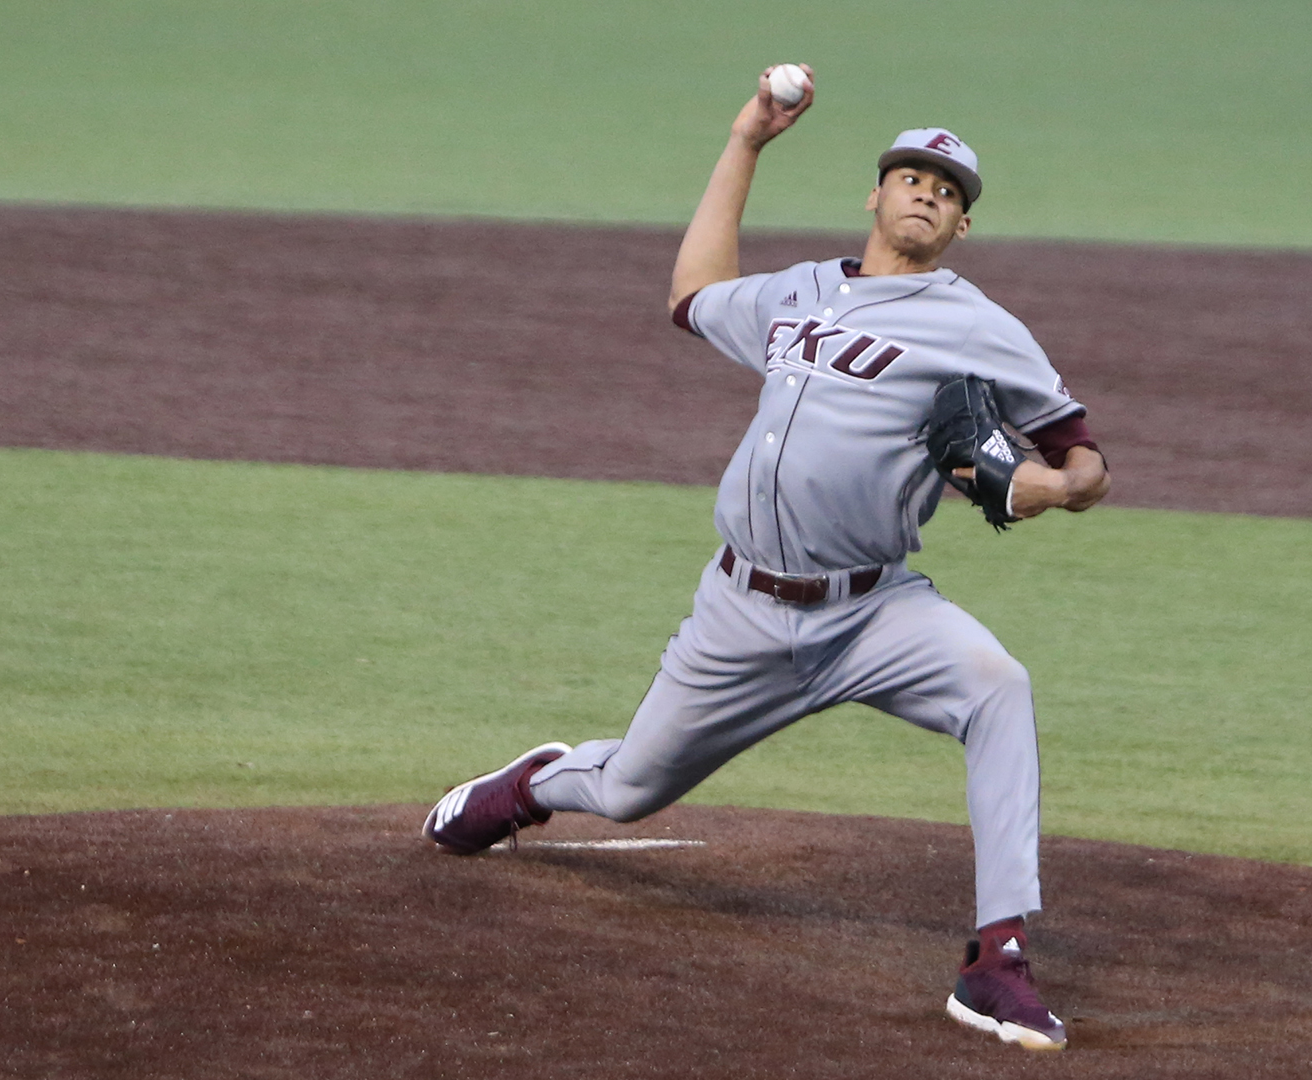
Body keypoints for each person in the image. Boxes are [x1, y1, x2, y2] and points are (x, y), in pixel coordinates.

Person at [423, 65, 1109, 1052]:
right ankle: (532, 785)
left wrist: (1033, 485)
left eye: (949, 191)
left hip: (876, 615)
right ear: (875, 195)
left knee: (999, 689)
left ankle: (997, 960)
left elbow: (1085, 466)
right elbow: (693, 293)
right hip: (741, 612)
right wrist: (747, 141)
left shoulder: (981, 328)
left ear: (962, 227)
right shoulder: (797, 295)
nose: (928, 192)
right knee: (627, 792)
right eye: (912, 177)